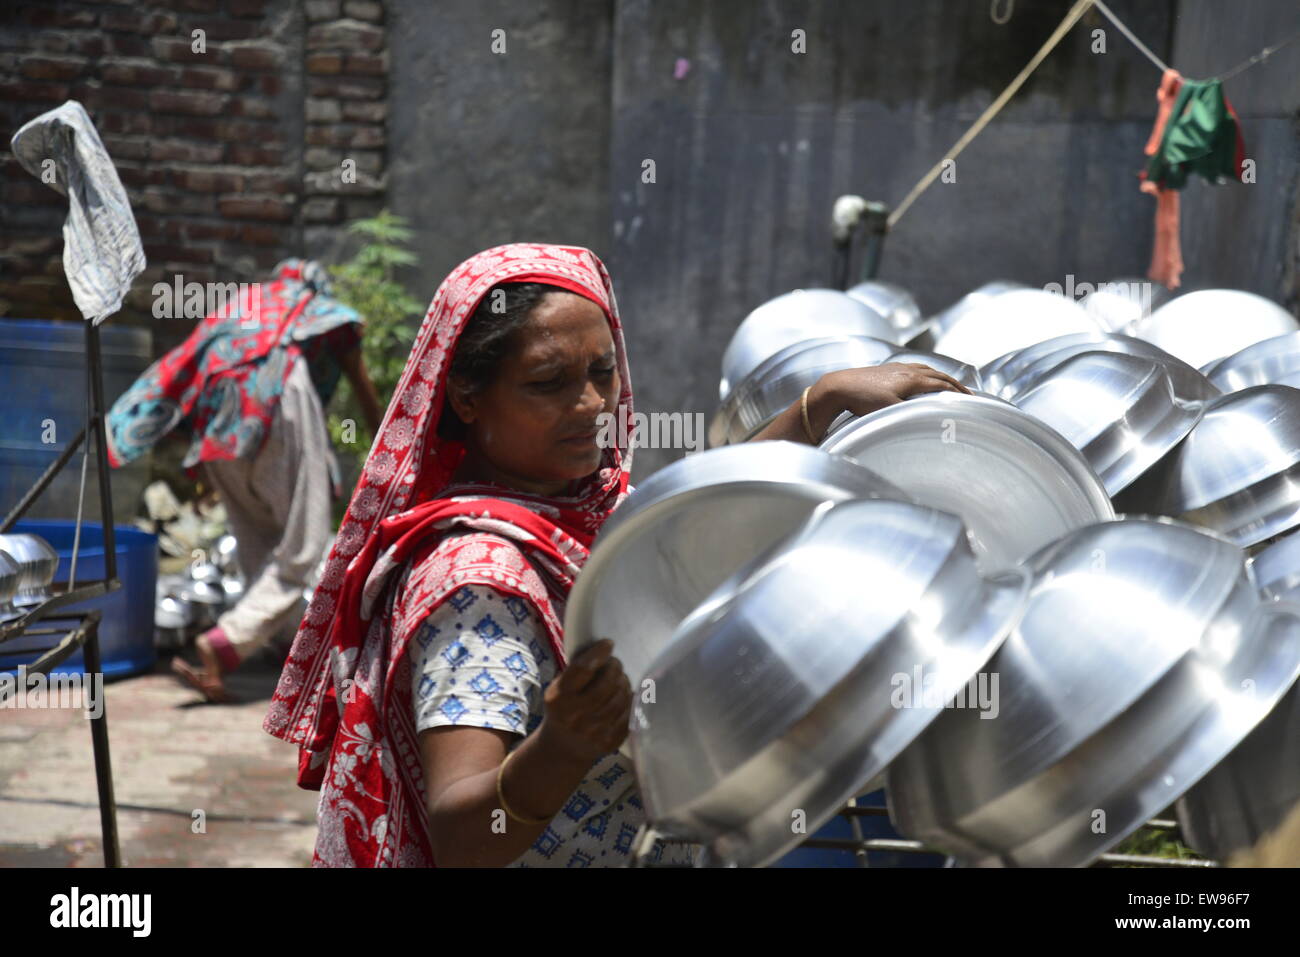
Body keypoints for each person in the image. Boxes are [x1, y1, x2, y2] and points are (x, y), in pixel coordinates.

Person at [262, 244, 969, 867]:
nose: (590, 403)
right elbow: (462, 832)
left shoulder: (575, 510)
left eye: (603, 371)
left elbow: (684, 530)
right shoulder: (479, 582)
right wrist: (563, 744)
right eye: (548, 382)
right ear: (468, 397)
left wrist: (820, 404)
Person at [107, 259, 383, 702]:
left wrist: (204, 472)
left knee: (257, 543)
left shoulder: (240, 308)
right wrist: (386, 443)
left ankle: (289, 644)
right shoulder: (316, 307)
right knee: (302, 544)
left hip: (218, 426)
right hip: (279, 406)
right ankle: (226, 642)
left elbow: (190, 373)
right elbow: (359, 379)